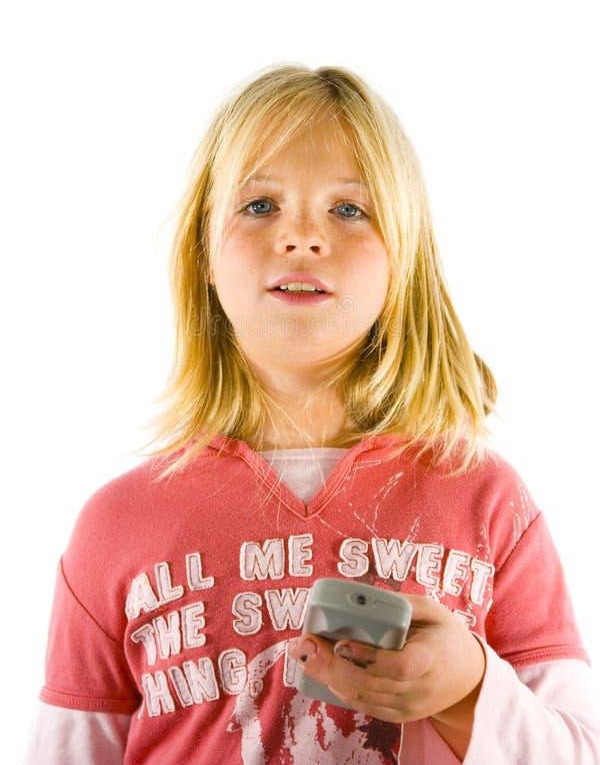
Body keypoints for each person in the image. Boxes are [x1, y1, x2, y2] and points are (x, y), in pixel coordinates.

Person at [26, 65, 599, 764]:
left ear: (403, 262)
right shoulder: (115, 526)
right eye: (260, 206)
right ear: (203, 252)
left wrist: (472, 688)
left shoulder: (489, 502)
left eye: (350, 210)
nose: (301, 236)